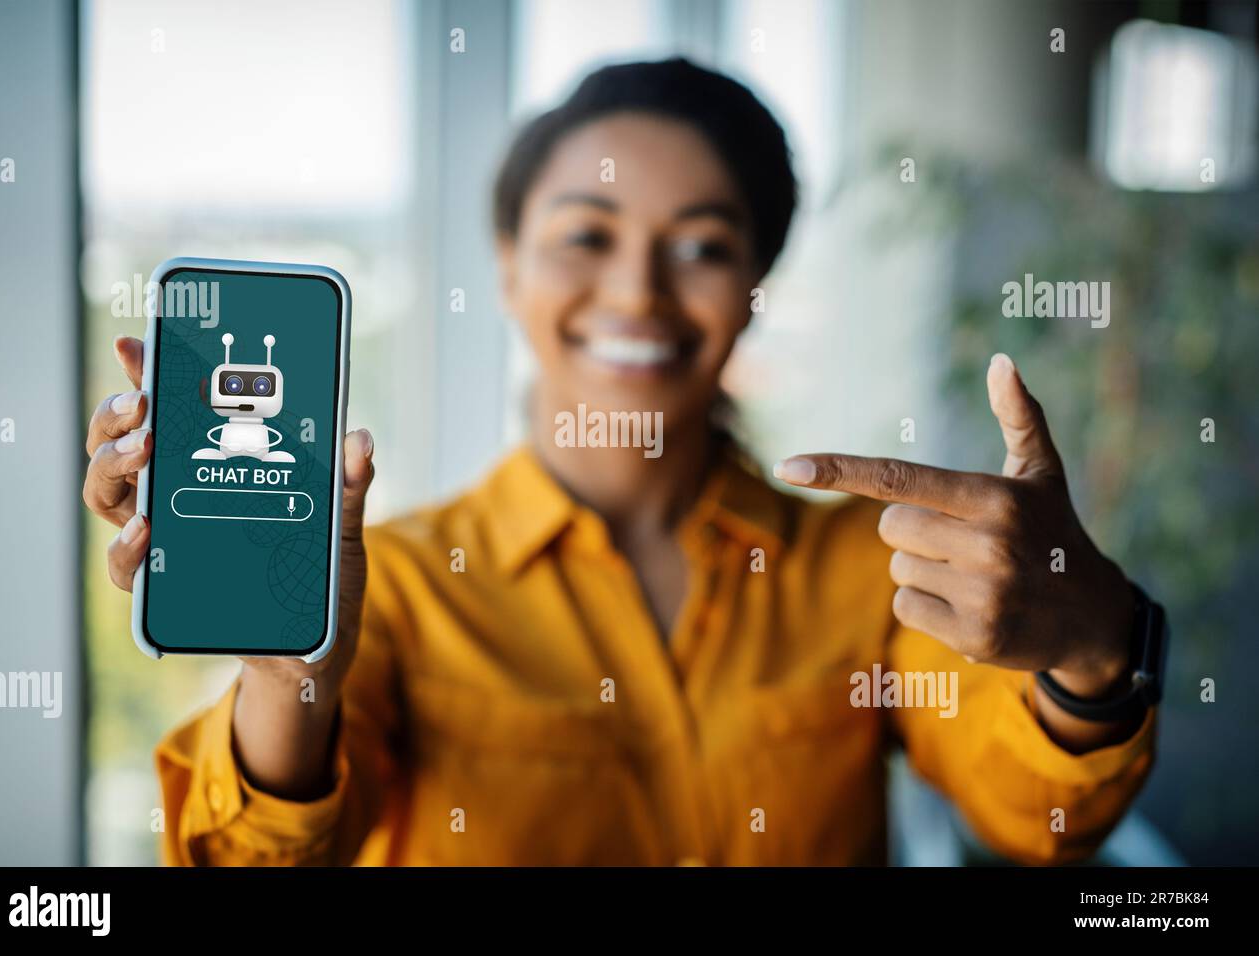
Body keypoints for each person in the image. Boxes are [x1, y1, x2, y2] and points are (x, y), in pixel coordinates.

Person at [82, 59, 1156, 866]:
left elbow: (1041, 817)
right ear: (507, 267)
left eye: (700, 244)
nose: (638, 291)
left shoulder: (866, 569)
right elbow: (253, 859)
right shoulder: (393, 587)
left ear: (755, 285)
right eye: (585, 236)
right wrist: (288, 666)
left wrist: (1092, 648)